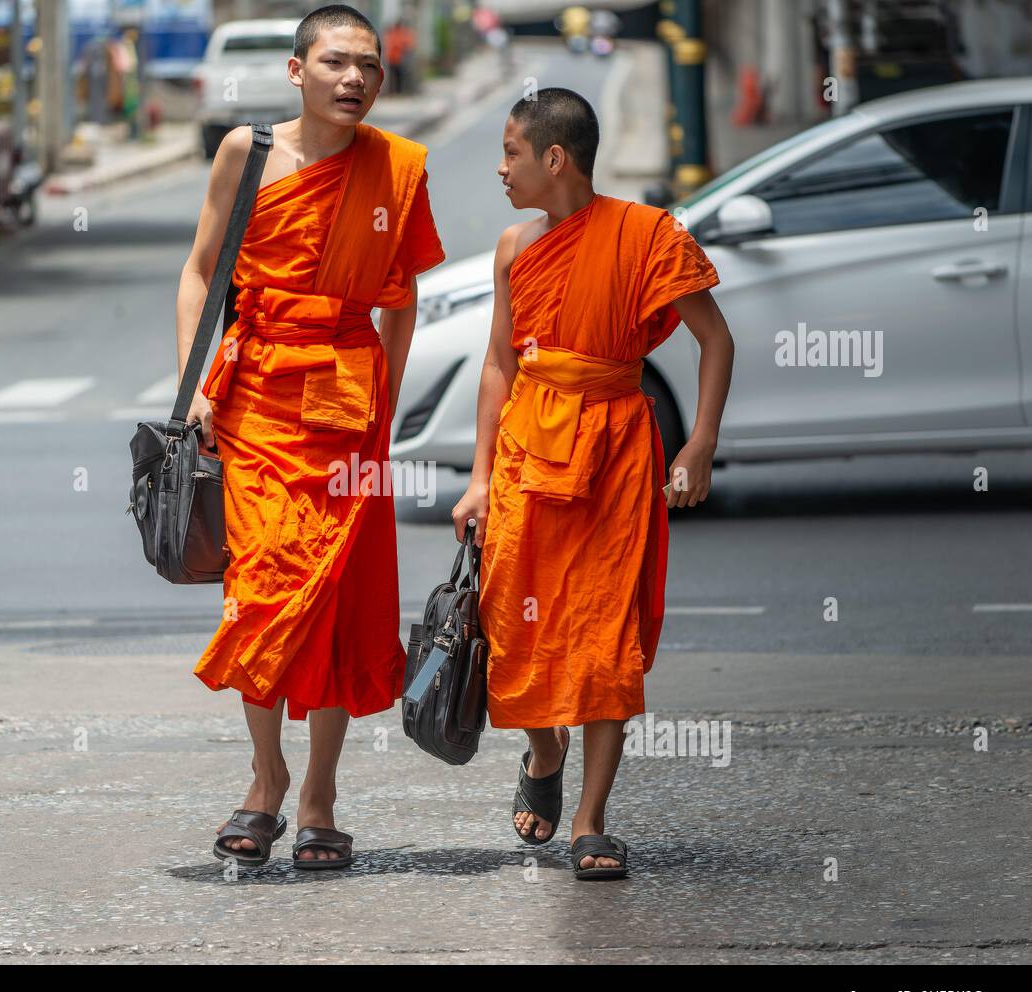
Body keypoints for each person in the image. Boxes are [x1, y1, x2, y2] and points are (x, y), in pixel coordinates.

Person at [179, 5, 445, 869]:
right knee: (258, 587)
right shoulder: (246, 154)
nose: (354, 80)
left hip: (347, 397)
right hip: (253, 395)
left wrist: (386, 404)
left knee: (333, 600)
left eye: (369, 67)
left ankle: (322, 796)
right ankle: (266, 779)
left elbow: (400, 300)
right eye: (336, 63)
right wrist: (190, 388)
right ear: (298, 71)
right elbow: (197, 271)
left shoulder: (397, 169)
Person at [451, 88, 734, 879]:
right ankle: (545, 753)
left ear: (554, 159)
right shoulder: (514, 248)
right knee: (512, 629)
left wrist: (700, 443)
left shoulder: (645, 235)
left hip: (615, 452)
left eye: (510, 152)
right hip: (527, 455)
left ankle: (591, 819)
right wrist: (478, 478)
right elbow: (500, 364)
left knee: (608, 639)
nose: (499, 167)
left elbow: (716, 340)